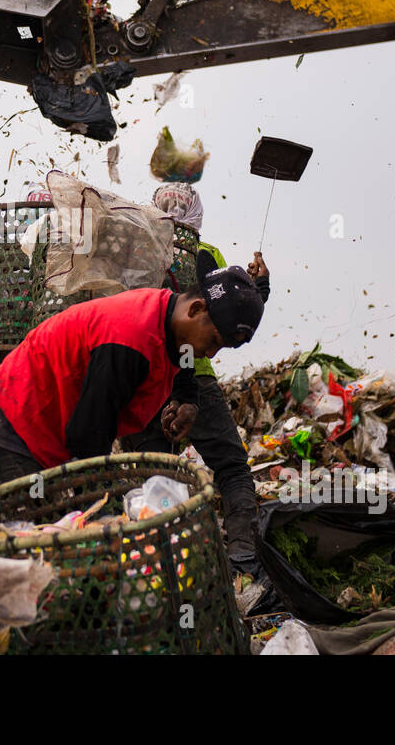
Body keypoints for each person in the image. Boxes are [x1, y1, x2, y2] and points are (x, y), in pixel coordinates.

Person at [0, 266, 267, 492]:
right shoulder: (129, 341)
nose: (210, 354)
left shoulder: (171, 322)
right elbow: (88, 435)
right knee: (34, 542)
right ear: (196, 308)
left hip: (38, 435)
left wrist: (188, 400)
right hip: (5, 429)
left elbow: (183, 361)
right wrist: (100, 504)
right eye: (212, 341)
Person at [119, 182, 268, 572]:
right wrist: (259, 288)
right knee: (231, 467)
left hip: (142, 377)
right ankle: (242, 558)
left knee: (151, 474)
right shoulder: (205, 254)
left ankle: (158, 565)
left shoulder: (133, 249)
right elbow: (227, 316)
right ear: (197, 215)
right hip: (194, 379)